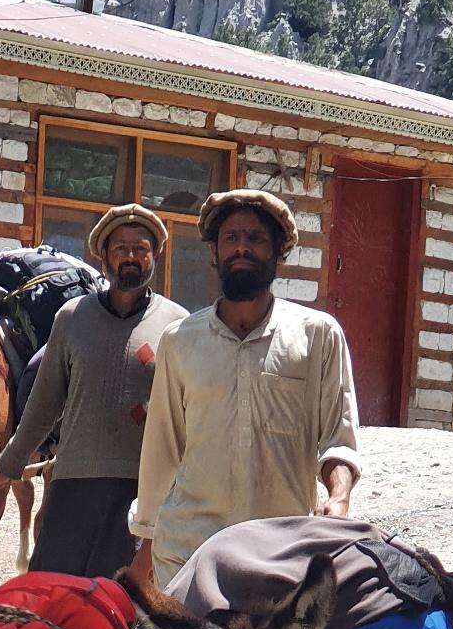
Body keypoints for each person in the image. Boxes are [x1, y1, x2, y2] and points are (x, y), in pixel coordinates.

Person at [133, 188, 361, 587]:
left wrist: (339, 498)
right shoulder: (179, 340)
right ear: (214, 253)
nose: (242, 248)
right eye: (231, 239)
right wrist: (147, 548)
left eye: (255, 238)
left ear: (278, 252)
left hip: (281, 551)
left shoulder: (318, 336)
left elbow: (338, 439)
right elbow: (162, 451)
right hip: (189, 549)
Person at [0, 203, 186, 578]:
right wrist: (11, 462)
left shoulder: (177, 326)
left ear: (155, 255)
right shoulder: (72, 318)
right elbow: (44, 403)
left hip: (142, 490)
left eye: (141, 248)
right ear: (103, 256)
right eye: (121, 248)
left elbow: (188, 415)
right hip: (74, 484)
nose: (131, 256)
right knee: (54, 592)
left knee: (120, 602)